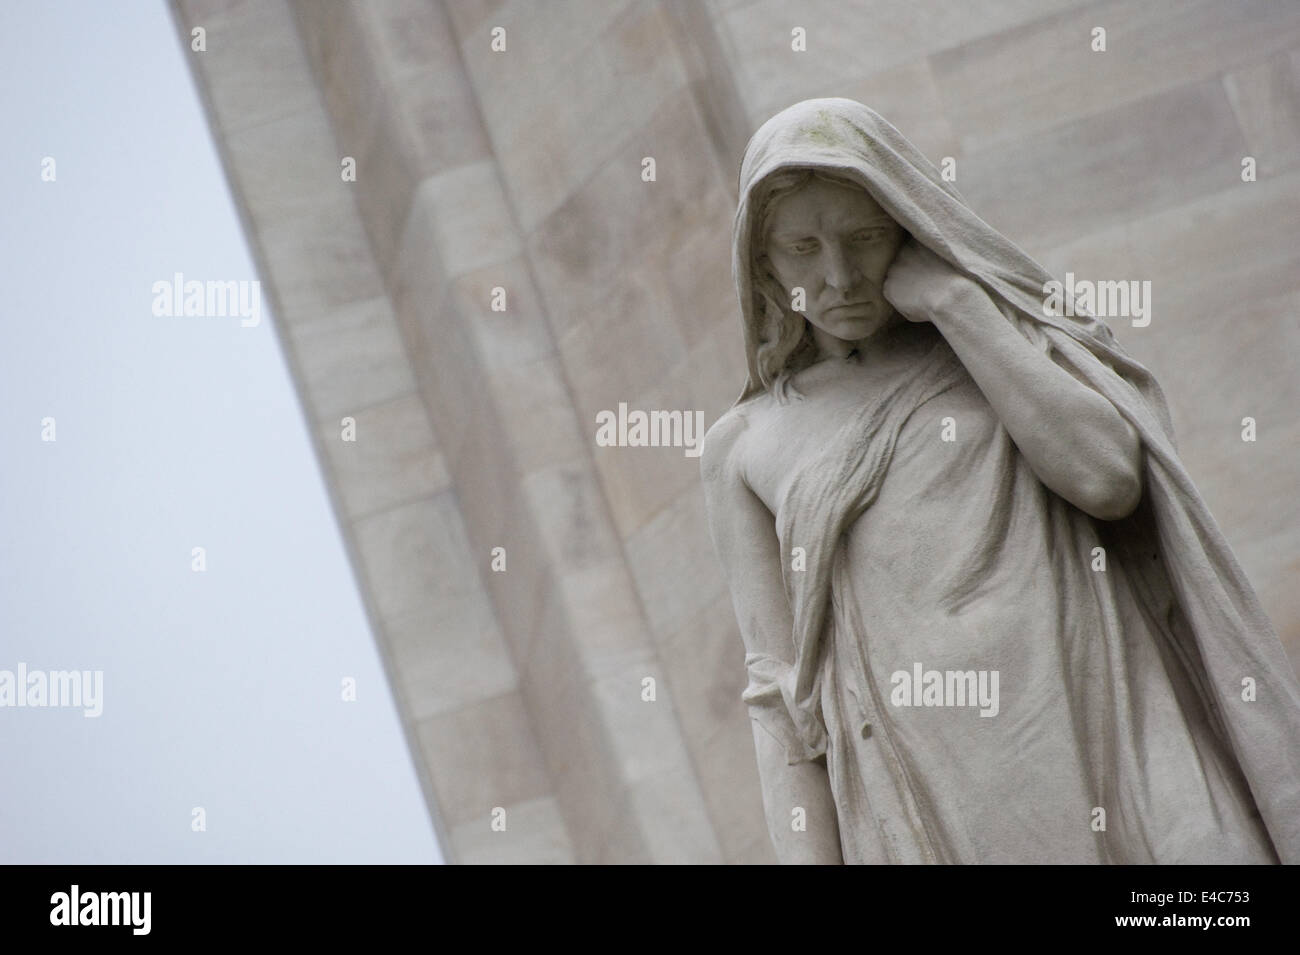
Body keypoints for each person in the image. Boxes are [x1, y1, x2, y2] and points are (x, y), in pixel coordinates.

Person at [700, 97, 1300, 864]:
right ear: (762, 261)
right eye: (801, 249)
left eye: (865, 238)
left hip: (1111, 718)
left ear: (908, 223)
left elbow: (1110, 478)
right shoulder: (746, 445)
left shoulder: (1001, 341)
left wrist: (959, 305)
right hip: (936, 786)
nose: (839, 276)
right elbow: (780, 697)